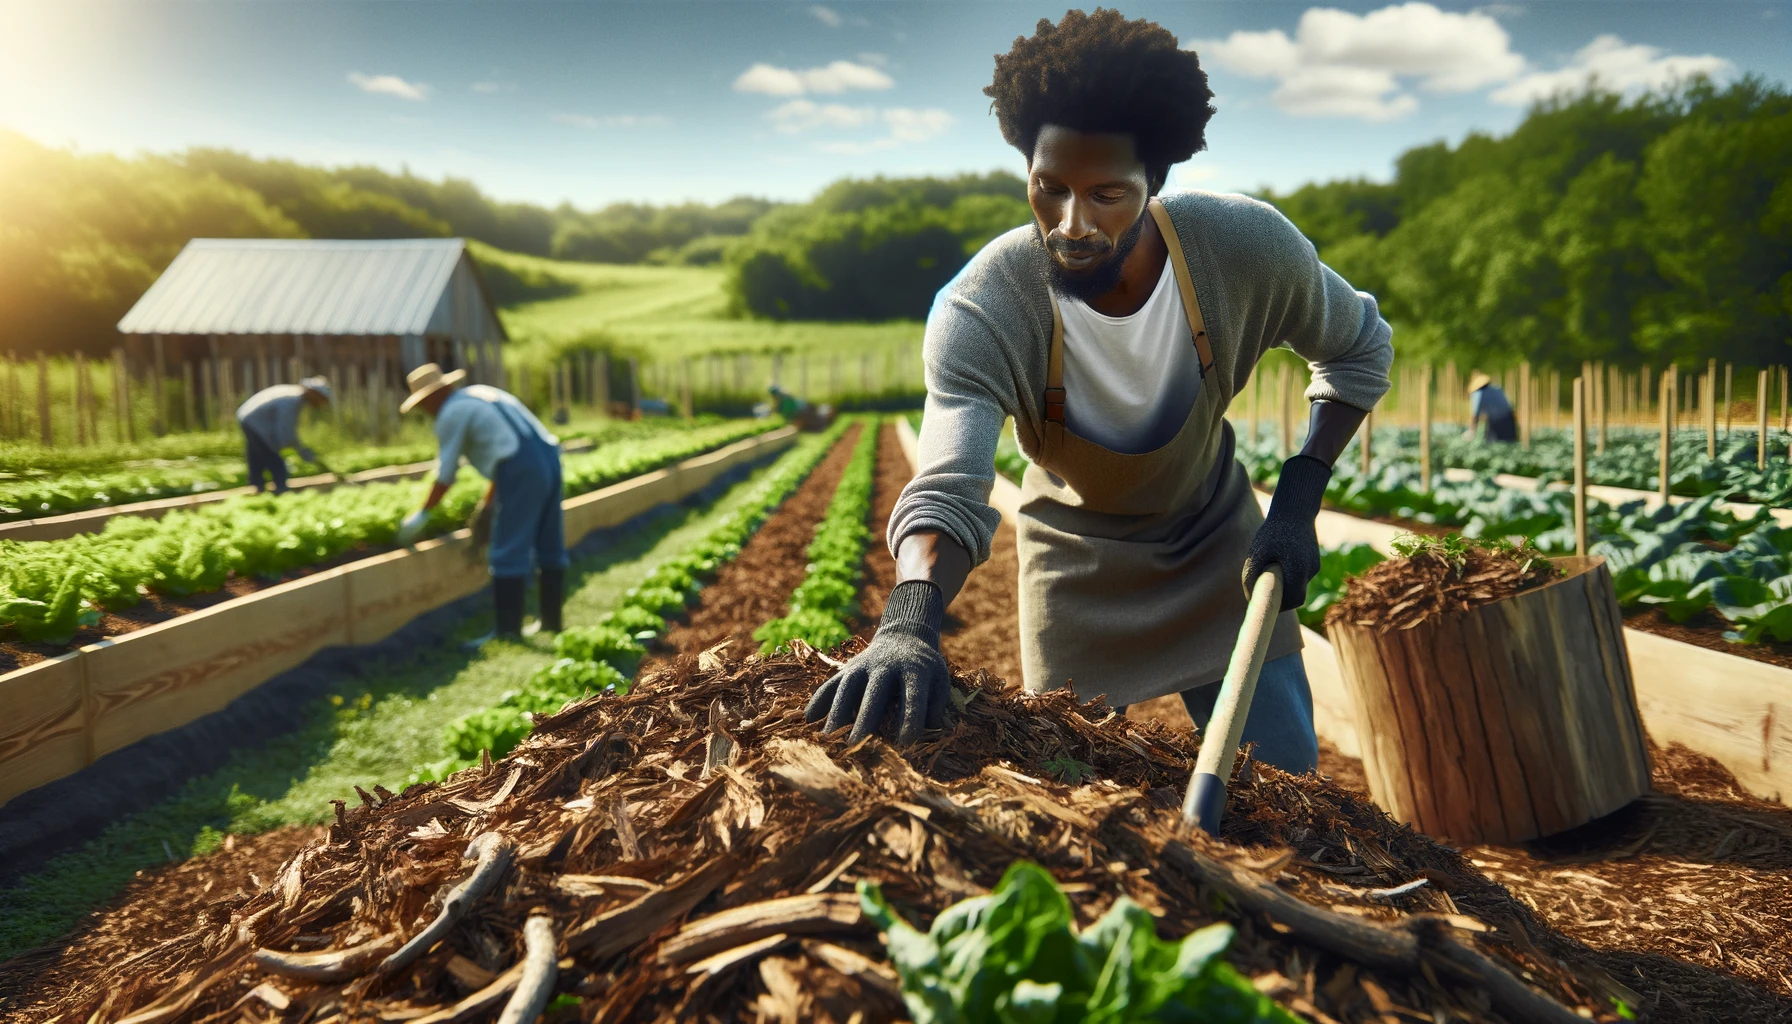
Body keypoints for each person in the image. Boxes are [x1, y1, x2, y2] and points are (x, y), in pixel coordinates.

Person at [805, 11, 1393, 779]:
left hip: (1216, 540)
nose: (1072, 224)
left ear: (1158, 183)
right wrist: (910, 616)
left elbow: (1359, 348)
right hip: (1073, 556)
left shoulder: (1243, 250)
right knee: (1067, 789)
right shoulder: (985, 307)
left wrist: (1299, 496)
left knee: (1286, 786)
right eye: (1049, 189)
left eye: (1108, 194)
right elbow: (949, 483)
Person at [395, 363, 567, 643]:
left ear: (434, 396)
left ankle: (507, 631)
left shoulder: (450, 413)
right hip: (550, 459)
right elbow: (511, 444)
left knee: (506, 550)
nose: (424, 411)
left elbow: (445, 474)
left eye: (423, 404)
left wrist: (422, 514)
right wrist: (488, 504)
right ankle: (552, 622)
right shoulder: (483, 393)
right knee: (550, 544)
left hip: (520, 469)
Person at [236, 376, 333, 494]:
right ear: (314, 393)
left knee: (257, 455)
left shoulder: (293, 393)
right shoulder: (293, 400)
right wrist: (300, 449)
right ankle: (281, 491)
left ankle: (257, 487)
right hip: (254, 421)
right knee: (275, 461)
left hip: (246, 416)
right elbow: (284, 432)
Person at [1466, 371, 1518, 442]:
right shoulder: (1498, 389)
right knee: (1509, 442)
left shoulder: (1478, 394)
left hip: (1496, 421)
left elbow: (1475, 415)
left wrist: (1471, 430)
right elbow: (1509, 406)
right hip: (1509, 418)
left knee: (1493, 443)